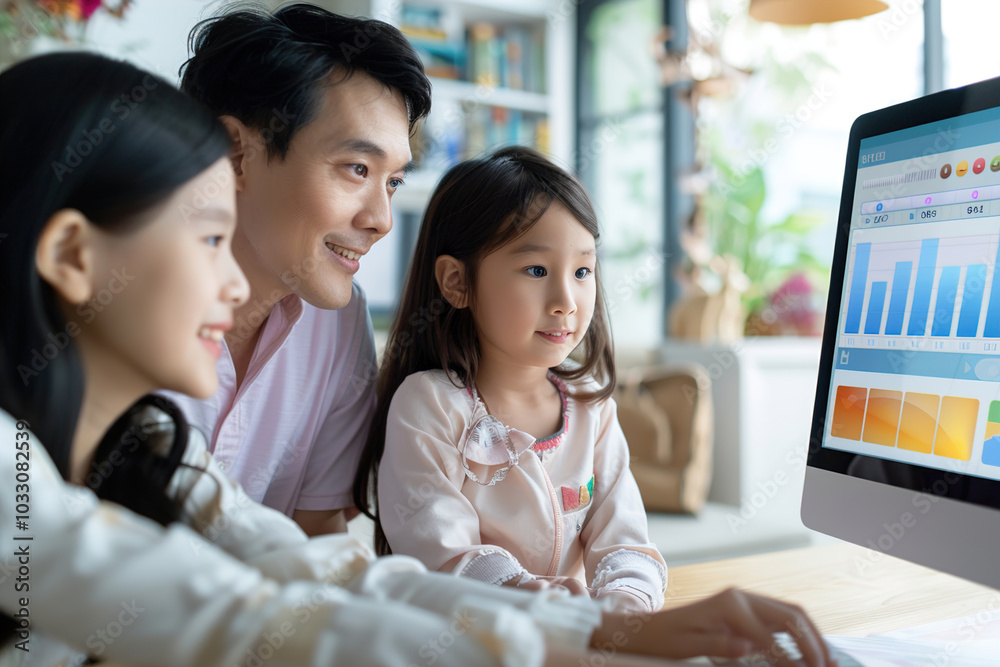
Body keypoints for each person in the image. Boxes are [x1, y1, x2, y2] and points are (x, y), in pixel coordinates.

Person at [0, 52, 836, 667]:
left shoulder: (154, 448)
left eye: (393, 181)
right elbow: (248, 616)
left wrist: (613, 629)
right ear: (74, 255)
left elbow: (330, 572)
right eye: (209, 238)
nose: (232, 281)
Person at [161, 3, 431, 535]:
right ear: (235, 152)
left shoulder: (337, 318)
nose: (381, 221)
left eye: (393, 181)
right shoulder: (117, 296)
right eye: (357, 169)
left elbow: (318, 538)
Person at [361, 146, 668, 614]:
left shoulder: (593, 410)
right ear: (457, 282)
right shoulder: (429, 405)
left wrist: (627, 605)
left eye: (583, 270)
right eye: (537, 270)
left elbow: (624, 541)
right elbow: (440, 549)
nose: (566, 299)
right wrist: (521, 593)